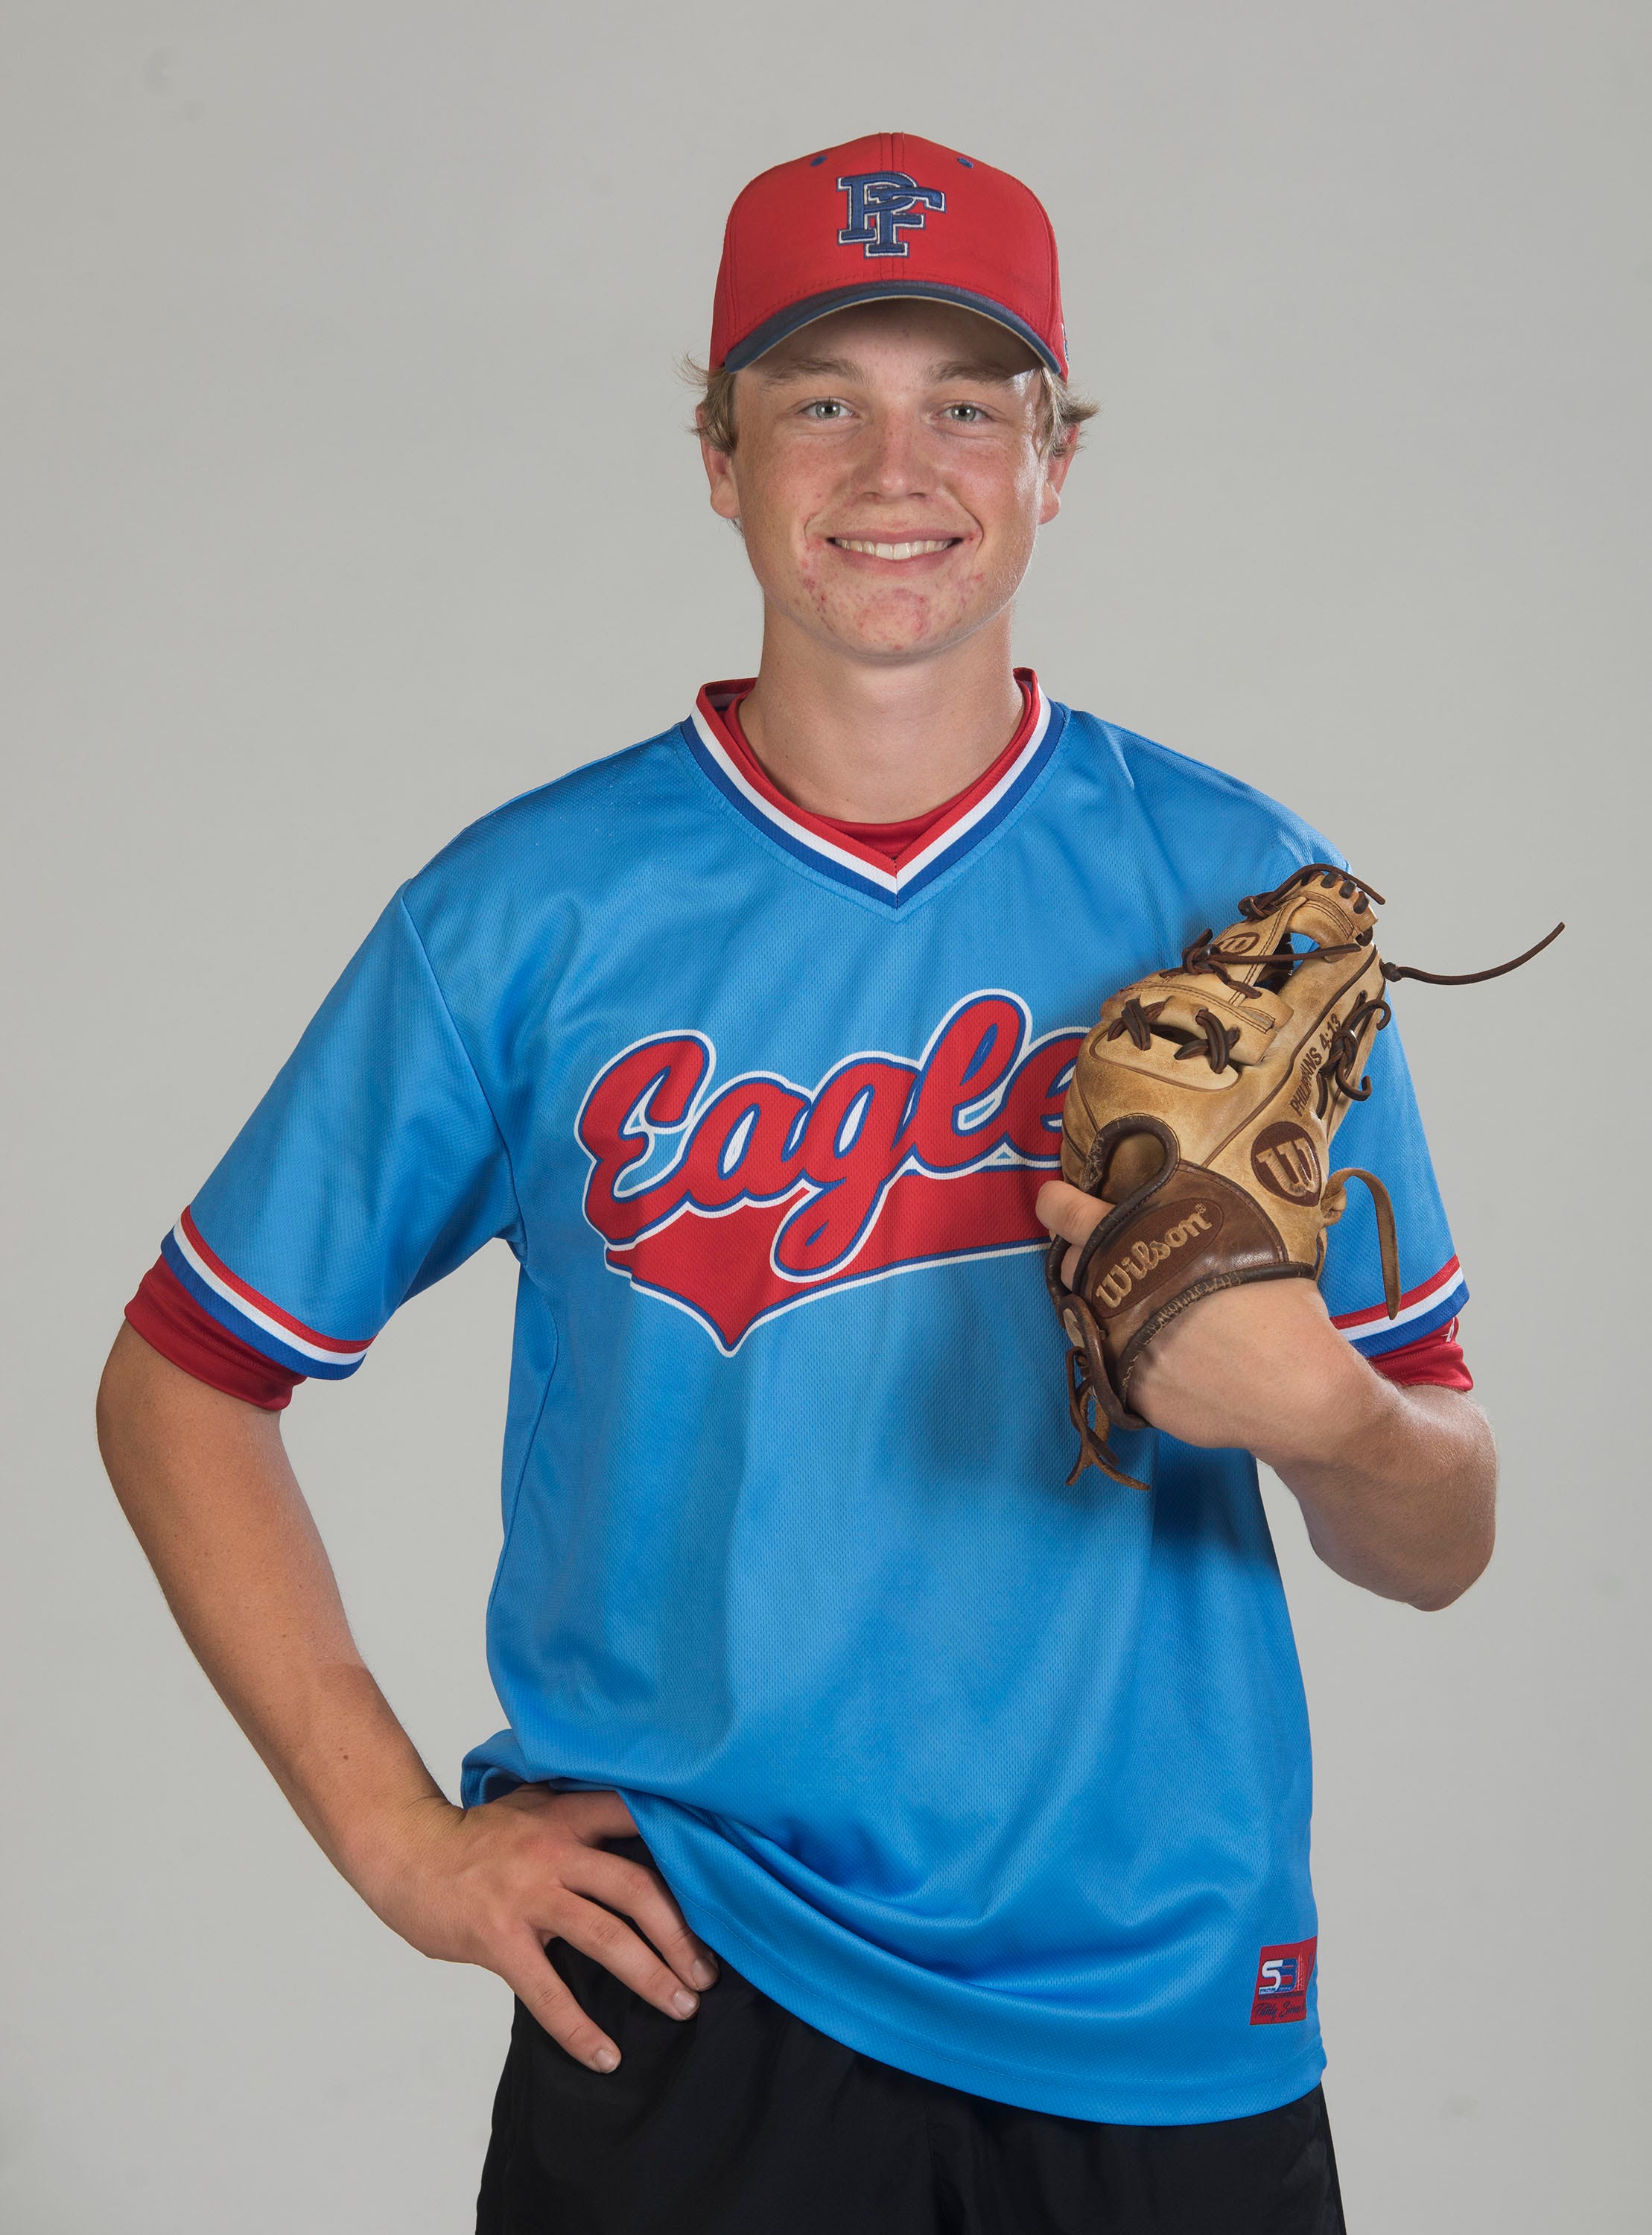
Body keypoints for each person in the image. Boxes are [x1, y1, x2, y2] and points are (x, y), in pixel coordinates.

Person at [97, 132, 1493, 2234]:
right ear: (718, 455)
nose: (890, 463)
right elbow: (183, 1375)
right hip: (686, 1983)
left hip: (1156, 1984)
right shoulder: (528, 912)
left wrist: (1334, 1423)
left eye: (965, 402)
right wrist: (397, 1838)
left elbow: (1443, 1535)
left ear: (1054, 459)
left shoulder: (1232, 901)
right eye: (819, 397)